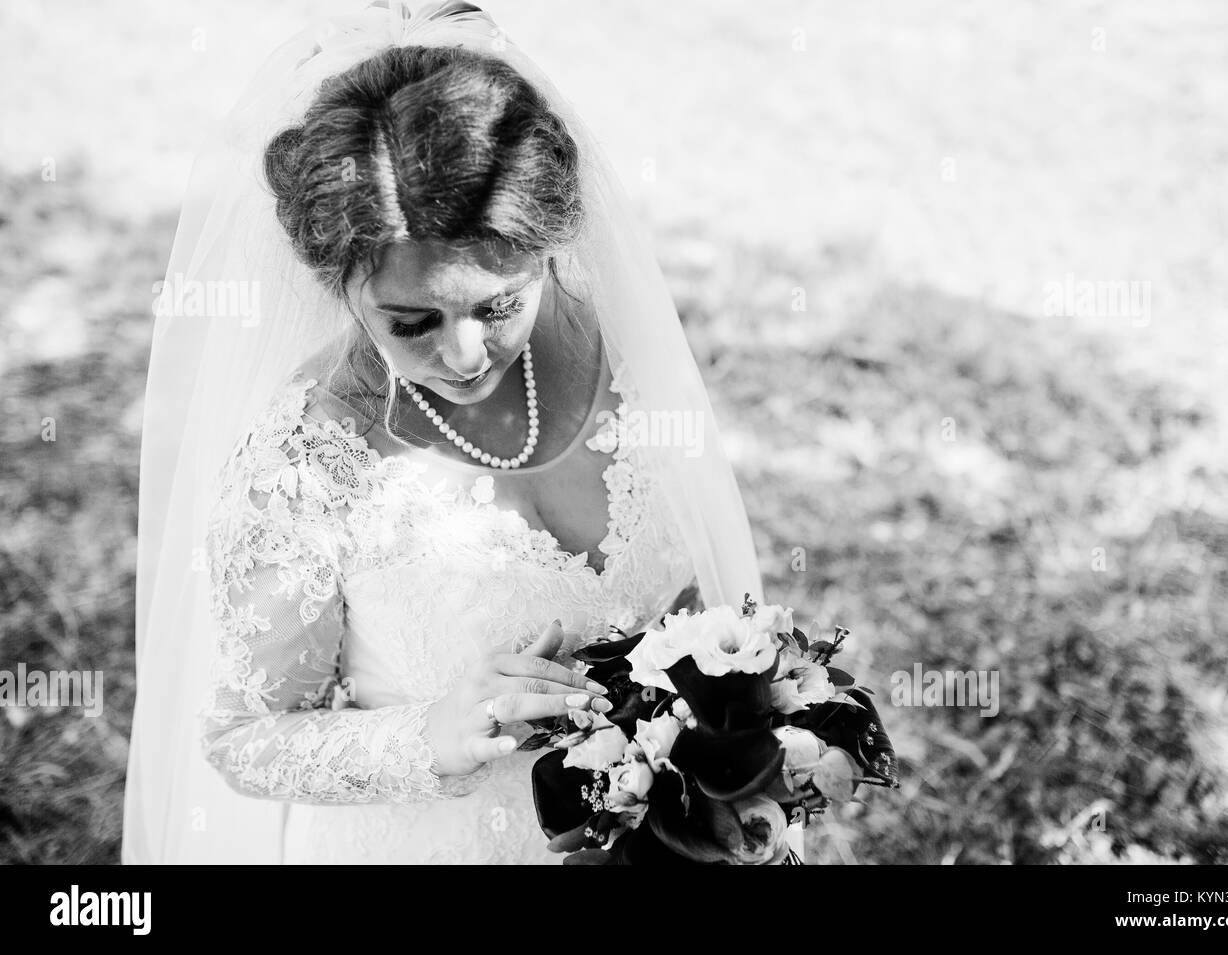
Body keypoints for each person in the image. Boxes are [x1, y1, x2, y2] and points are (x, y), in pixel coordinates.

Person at [124, 0, 766, 864]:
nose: (466, 354)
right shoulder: (308, 461)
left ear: (547, 249)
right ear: (338, 283)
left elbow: (687, 590)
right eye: (411, 320)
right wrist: (437, 733)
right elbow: (244, 735)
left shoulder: (620, 341)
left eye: (499, 304)